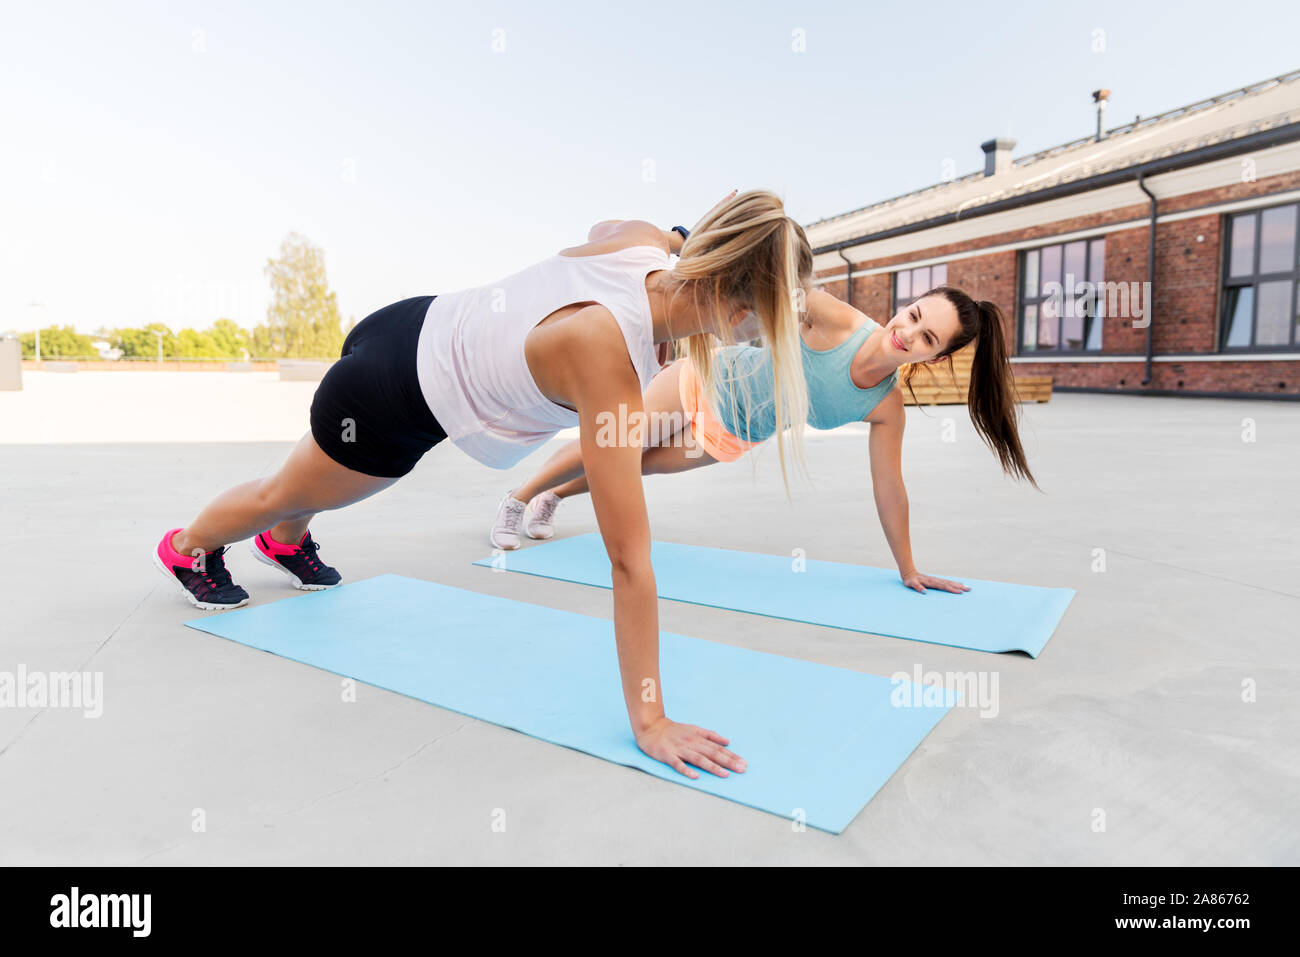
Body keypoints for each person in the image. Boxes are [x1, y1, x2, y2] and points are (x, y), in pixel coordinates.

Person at [153, 190, 813, 779]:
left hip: (412, 324)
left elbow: (609, 224)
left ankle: (285, 542)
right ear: (735, 313)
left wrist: (676, 255)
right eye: (764, 325)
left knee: (311, 488)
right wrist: (651, 719)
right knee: (286, 490)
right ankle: (188, 545)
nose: (758, 339)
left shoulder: (641, 240)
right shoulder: (607, 361)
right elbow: (629, 559)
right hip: (392, 400)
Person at [494, 283, 1036, 594]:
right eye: (914, 314)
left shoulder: (885, 407)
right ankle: (518, 499)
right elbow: (775, 289)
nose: (907, 333)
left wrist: (908, 568)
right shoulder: (840, 322)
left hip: (734, 432)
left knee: (637, 466)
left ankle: (553, 497)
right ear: (908, 303)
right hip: (704, 380)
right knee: (621, 441)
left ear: (934, 356)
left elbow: (890, 488)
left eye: (926, 338)